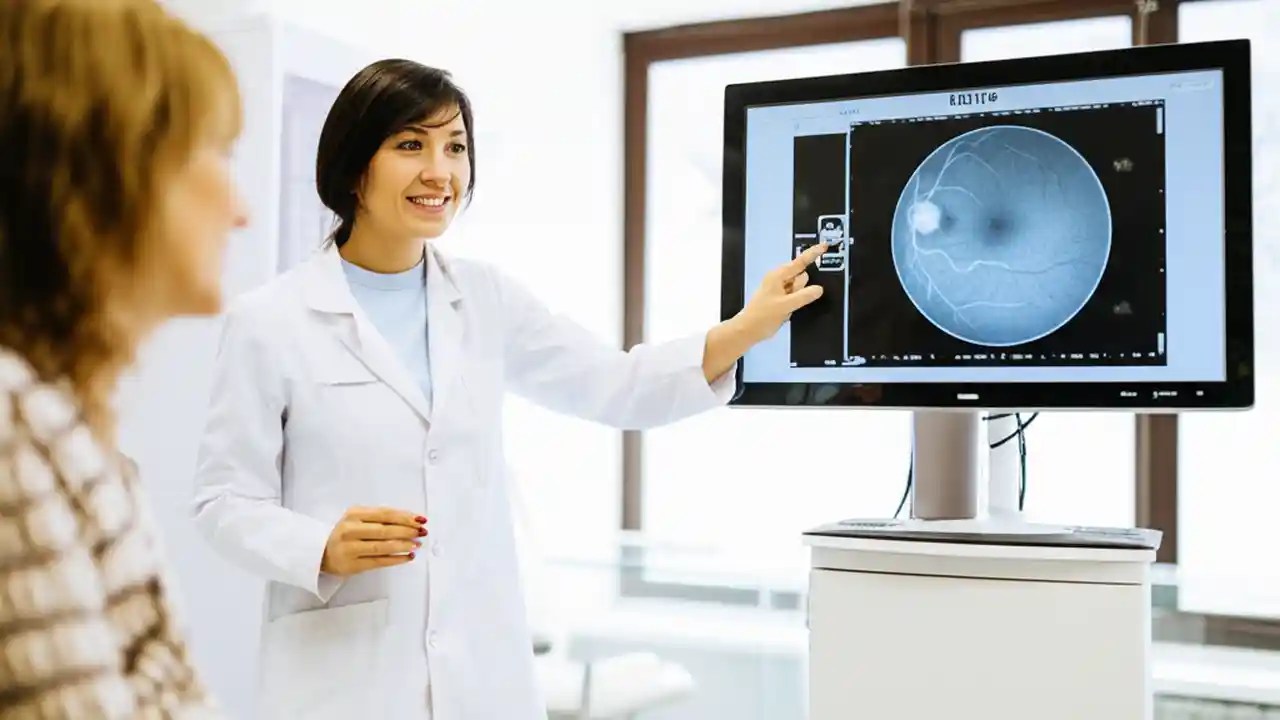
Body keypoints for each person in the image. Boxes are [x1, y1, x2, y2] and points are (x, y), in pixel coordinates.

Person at [190, 58, 826, 720]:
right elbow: (223, 500)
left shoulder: (485, 298)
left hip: (481, 676)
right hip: (342, 681)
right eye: (411, 144)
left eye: (456, 147)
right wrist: (318, 546)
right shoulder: (271, 320)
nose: (441, 171)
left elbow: (616, 385)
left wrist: (747, 328)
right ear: (354, 167)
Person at [0, 0, 249, 717]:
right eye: (215, 155)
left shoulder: (61, 425)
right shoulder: (15, 423)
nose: (241, 209)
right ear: (108, 166)